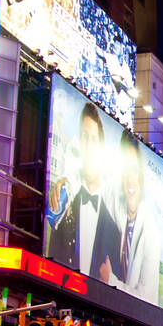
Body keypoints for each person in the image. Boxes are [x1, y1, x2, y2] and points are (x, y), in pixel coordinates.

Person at [45, 101, 122, 281]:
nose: (88, 146)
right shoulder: (64, 205)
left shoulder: (114, 231)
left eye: (93, 139)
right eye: (84, 137)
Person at [108, 131, 159, 301]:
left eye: (134, 171)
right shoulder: (116, 203)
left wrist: (110, 280)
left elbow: (146, 298)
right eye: (125, 171)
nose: (130, 179)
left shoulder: (150, 230)